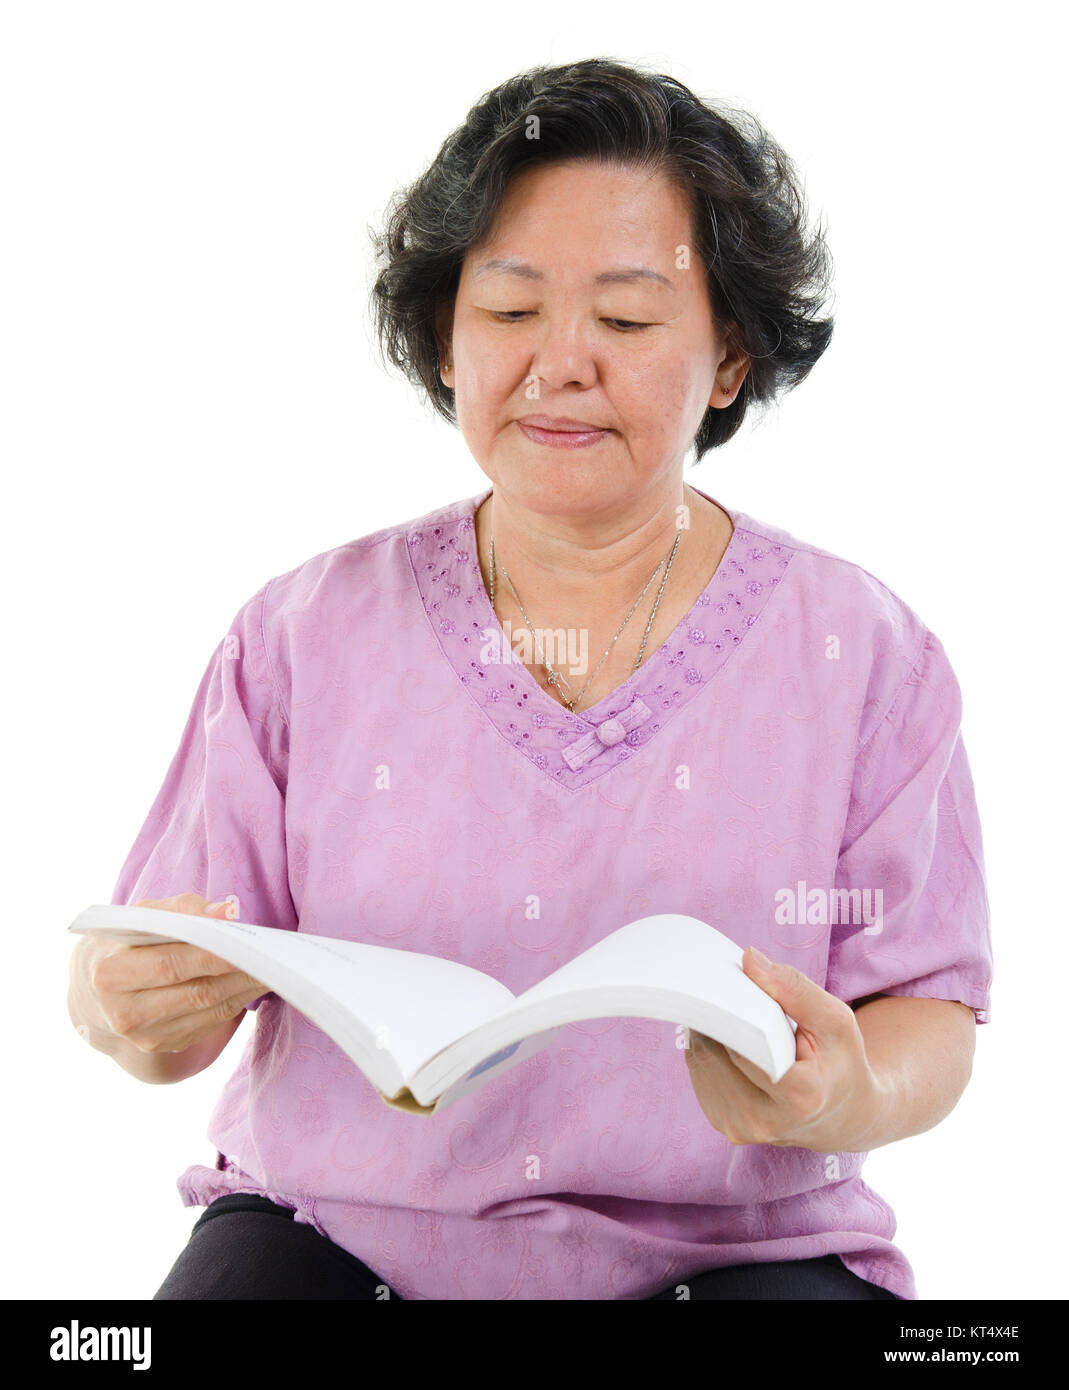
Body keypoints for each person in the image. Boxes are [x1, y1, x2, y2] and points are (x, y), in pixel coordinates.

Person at [67, 57, 992, 1301]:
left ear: (727, 359)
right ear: (444, 343)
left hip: (731, 1257)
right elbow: (156, 999)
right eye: (507, 312)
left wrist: (846, 1090)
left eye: (623, 319)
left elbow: (927, 1007)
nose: (559, 363)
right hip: (331, 1238)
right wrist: (127, 1013)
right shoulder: (303, 632)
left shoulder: (865, 652)